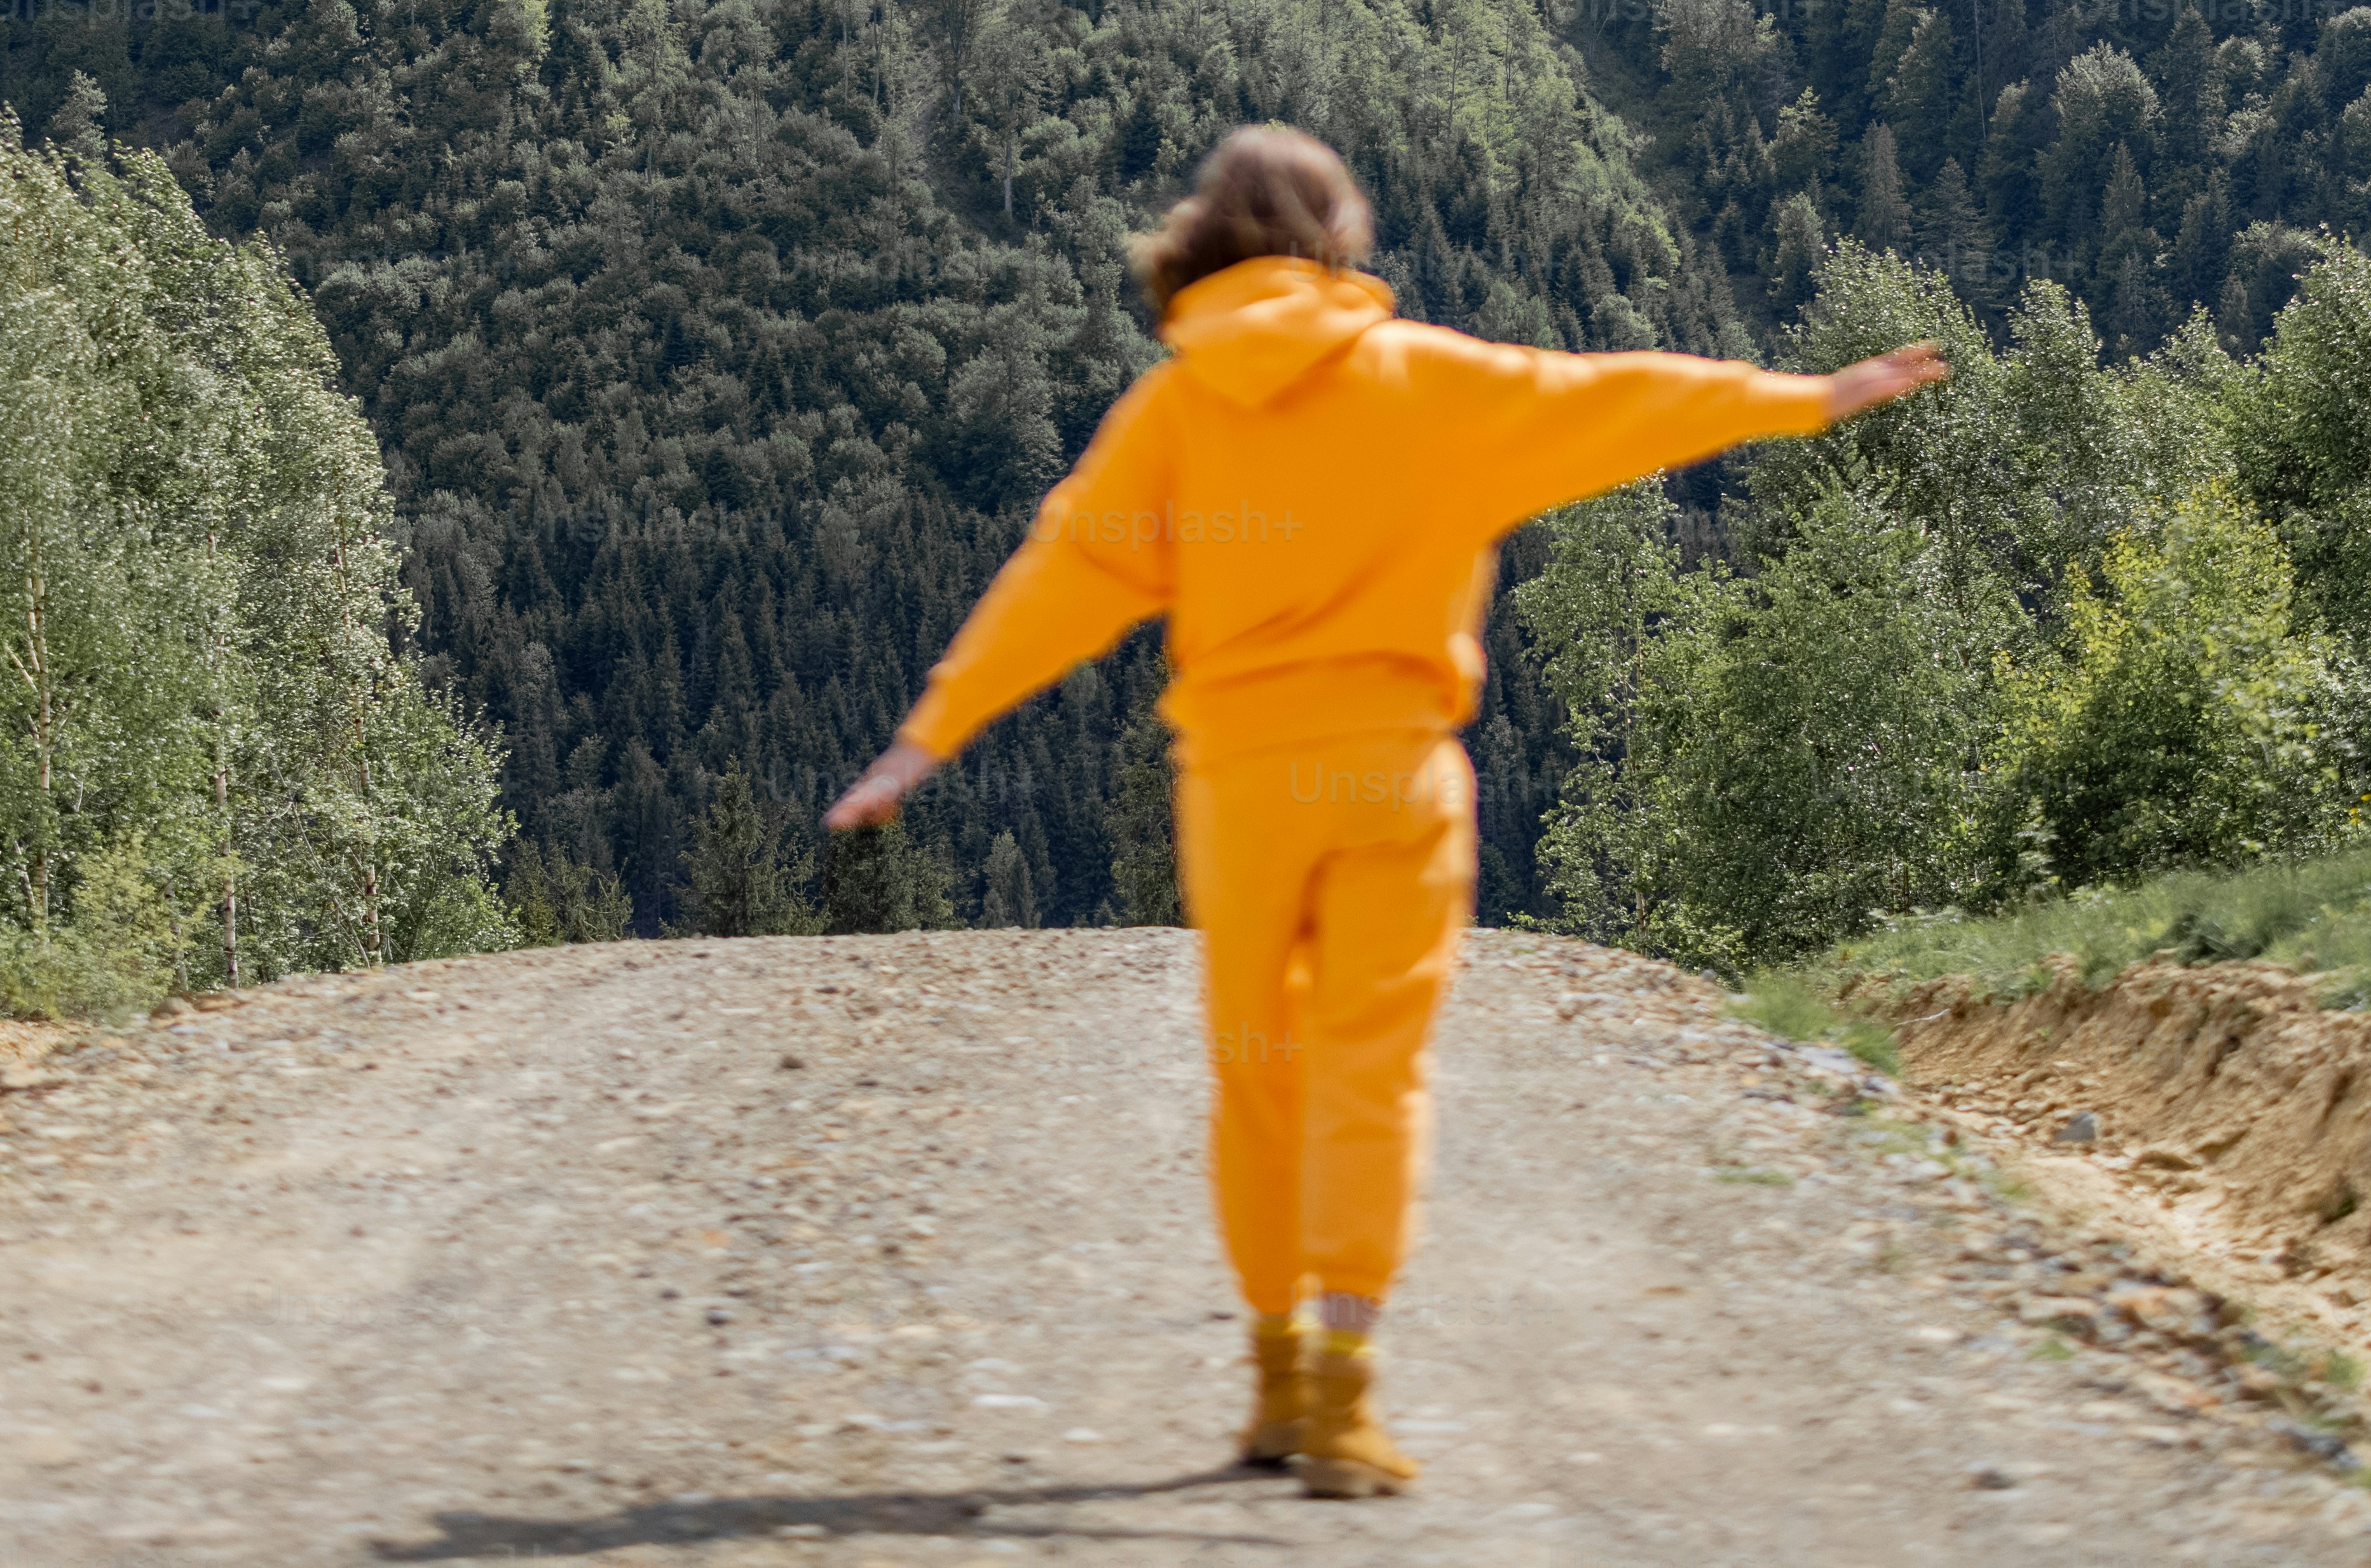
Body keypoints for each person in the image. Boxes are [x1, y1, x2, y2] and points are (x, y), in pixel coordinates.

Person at [824, 125, 1943, 1497]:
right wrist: (1810, 396)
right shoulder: (1424, 378)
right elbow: (1618, 398)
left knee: (1258, 1070)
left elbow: (1058, 582)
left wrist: (919, 741)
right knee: (1369, 1070)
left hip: (1239, 785)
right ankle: (1345, 1399)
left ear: (1204, 242)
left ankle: (1275, 1375)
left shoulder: (1175, 411)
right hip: (1392, 779)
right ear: (1334, 232)